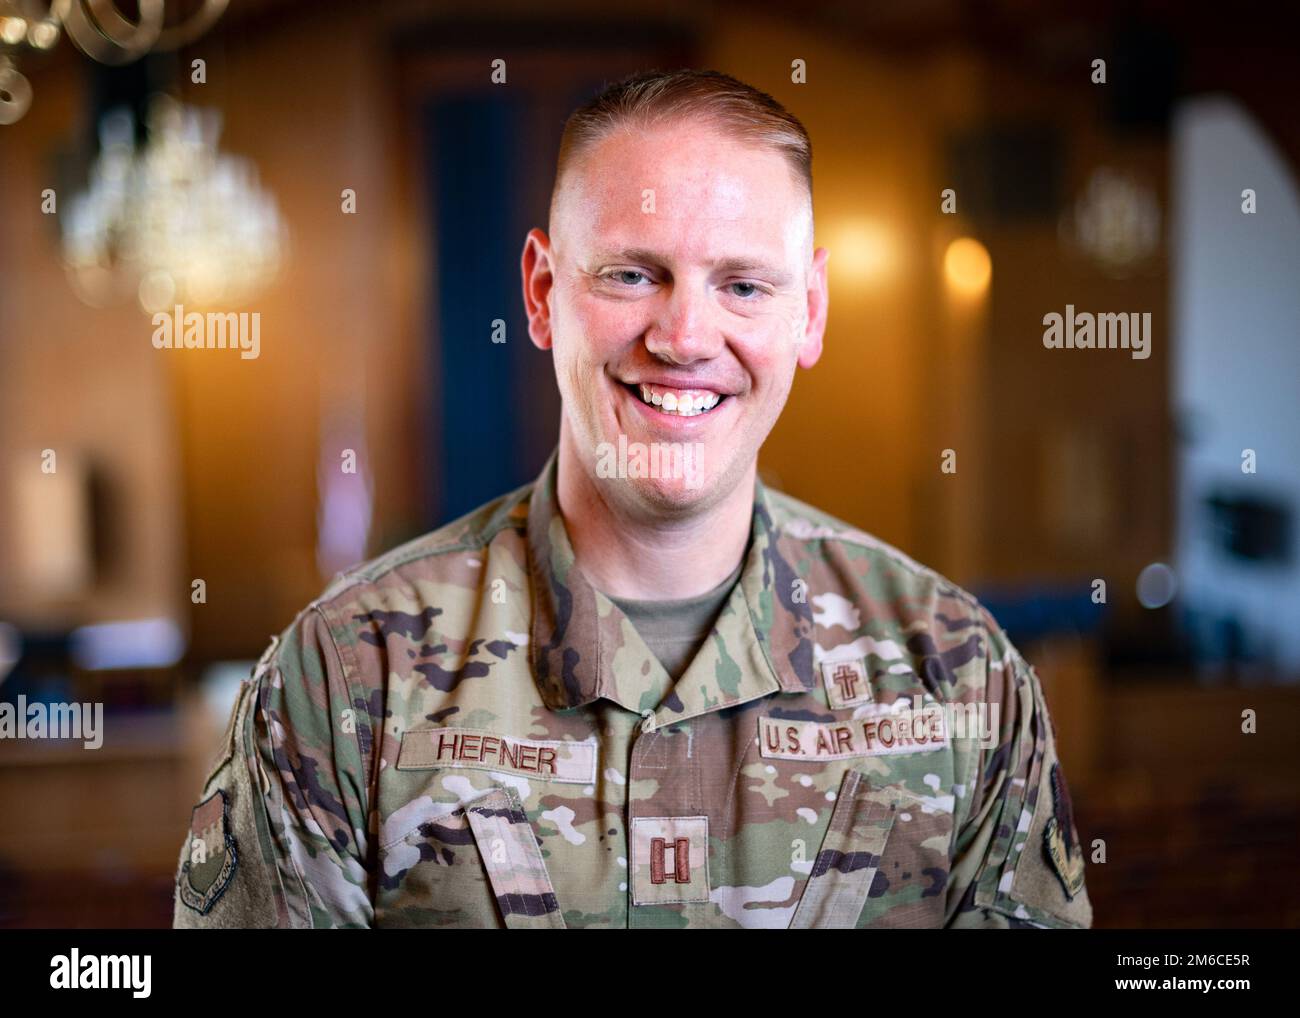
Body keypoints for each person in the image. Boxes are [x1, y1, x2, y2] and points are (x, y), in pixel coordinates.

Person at [173, 68, 1092, 928]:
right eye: (631, 274)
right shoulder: (343, 676)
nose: (687, 336)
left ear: (808, 312)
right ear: (541, 292)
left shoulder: (961, 675)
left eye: (742, 284)